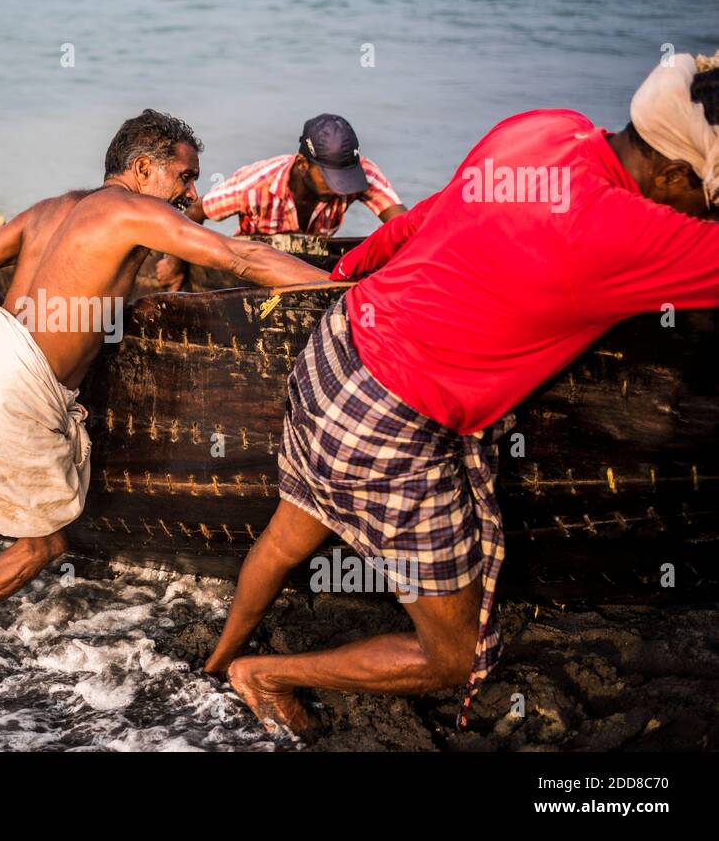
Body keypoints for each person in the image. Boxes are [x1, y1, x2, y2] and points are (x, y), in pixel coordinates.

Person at [204, 54, 719, 736]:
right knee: (451, 654)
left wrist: (355, 264)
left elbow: (435, 214)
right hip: (387, 421)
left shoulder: (546, 128)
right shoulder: (627, 231)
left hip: (336, 346)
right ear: (678, 174)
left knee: (286, 538)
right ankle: (261, 673)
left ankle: (214, 663)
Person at [0, 109, 330, 633]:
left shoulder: (54, 207)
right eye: (184, 177)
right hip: (19, 384)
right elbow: (239, 256)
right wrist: (339, 287)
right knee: (42, 543)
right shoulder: (135, 210)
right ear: (142, 169)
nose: (190, 194)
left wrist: (7, 334)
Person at [156, 113, 404, 288]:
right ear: (302, 165)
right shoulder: (255, 184)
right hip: (254, 269)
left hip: (313, 263)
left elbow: (403, 225)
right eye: (331, 179)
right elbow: (197, 211)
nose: (341, 189)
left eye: (346, 179)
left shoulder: (361, 174)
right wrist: (175, 263)